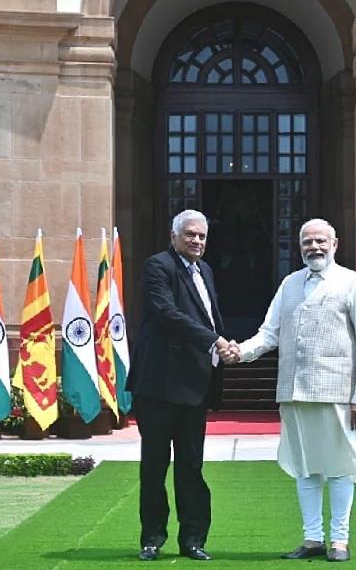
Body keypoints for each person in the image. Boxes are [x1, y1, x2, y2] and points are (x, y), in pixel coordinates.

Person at [223, 218, 356, 563]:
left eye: (321, 241)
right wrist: (240, 352)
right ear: (300, 246)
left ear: (334, 244)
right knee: (305, 467)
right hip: (294, 391)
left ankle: (339, 540)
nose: (314, 247)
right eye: (308, 242)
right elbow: (269, 333)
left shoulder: (352, 283)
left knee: (341, 466)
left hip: (338, 392)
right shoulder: (290, 284)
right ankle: (312, 539)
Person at [126, 209, 233, 562]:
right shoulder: (159, 266)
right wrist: (214, 340)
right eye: (190, 234)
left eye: (202, 236)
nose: (197, 241)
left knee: (191, 466)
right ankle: (152, 539)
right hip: (158, 385)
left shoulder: (206, 271)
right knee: (154, 466)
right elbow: (167, 313)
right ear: (174, 236)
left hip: (194, 386)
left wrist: (222, 345)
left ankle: (193, 541)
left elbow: (207, 317)